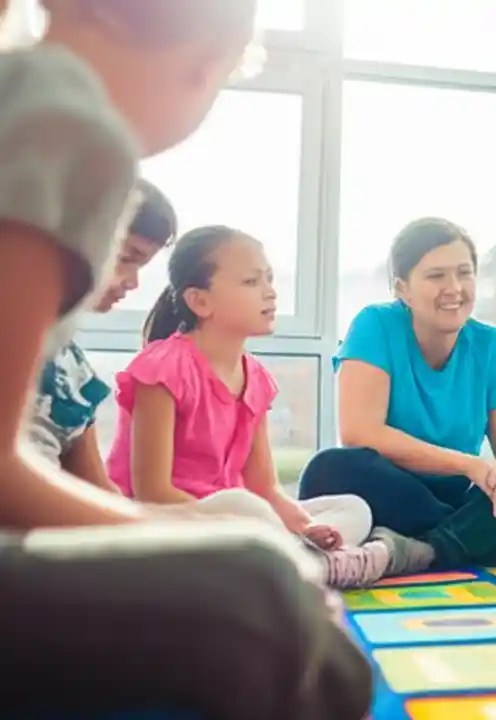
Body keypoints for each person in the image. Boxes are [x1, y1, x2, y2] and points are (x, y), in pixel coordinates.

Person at [0, 1, 371, 718]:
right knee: (269, 594)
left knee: (265, 563)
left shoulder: (25, 91)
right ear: (206, 62)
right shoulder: (69, 123)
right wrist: (199, 541)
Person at [106, 225, 405, 587]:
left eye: (269, 279)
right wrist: (233, 522)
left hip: (240, 519)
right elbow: (152, 492)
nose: (270, 292)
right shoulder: (163, 367)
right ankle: (311, 564)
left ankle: (296, 557)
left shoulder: (257, 379)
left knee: (354, 510)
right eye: (251, 282)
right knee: (244, 506)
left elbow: (265, 485)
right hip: (167, 523)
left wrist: (307, 527)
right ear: (200, 301)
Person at [298, 217, 496, 572]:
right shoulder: (375, 325)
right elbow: (360, 433)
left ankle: (426, 549)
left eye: (464, 273)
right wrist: (467, 464)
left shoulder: (491, 344)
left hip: (464, 495)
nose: (454, 287)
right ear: (402, 288)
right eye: (436, 276)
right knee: (331, 469)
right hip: (390, 487)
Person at [27, 177, 176, 493]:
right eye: (125, 259)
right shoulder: (17, 345)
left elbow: (95, 487)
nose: (133, 283)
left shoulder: (73, 370)